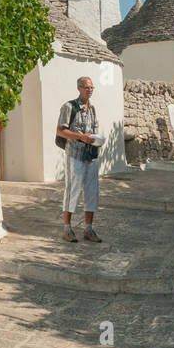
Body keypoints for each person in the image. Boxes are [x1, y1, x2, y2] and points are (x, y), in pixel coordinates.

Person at [57, 77, 104, 242]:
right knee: (72, 190)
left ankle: (88, 229)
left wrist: (96, 140)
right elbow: (60, 131)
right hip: (75, 155)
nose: (89, 90)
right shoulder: (69, 107)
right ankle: (67, 229)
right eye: (86, 87)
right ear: (79, 88)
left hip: (90, 156)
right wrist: (80, 137)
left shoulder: (92, 109)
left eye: (91, 87)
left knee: (92, 191)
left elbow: (93, 131)